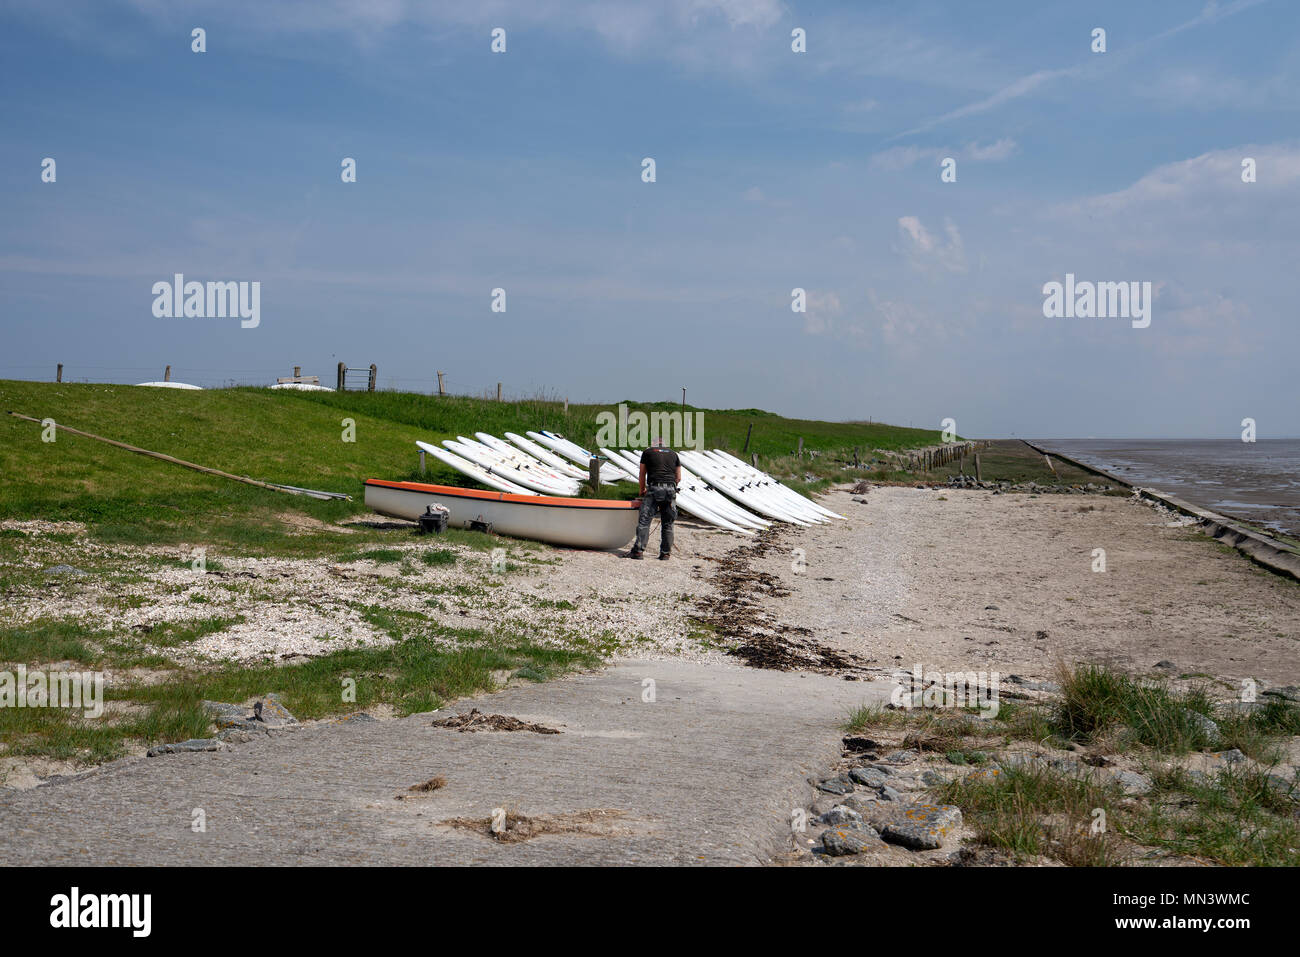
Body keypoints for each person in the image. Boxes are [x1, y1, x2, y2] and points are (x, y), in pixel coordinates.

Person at [630, 437, 680, 559]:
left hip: (654, 488)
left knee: (645, 520)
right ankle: (665, 553)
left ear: (653, 444)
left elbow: (642, 473)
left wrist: (642, 490)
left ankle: (638, 551)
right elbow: (678, 477)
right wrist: (671, 488)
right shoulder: (674, 454)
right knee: (668, 523)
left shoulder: (648, 452)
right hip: (670, 490)